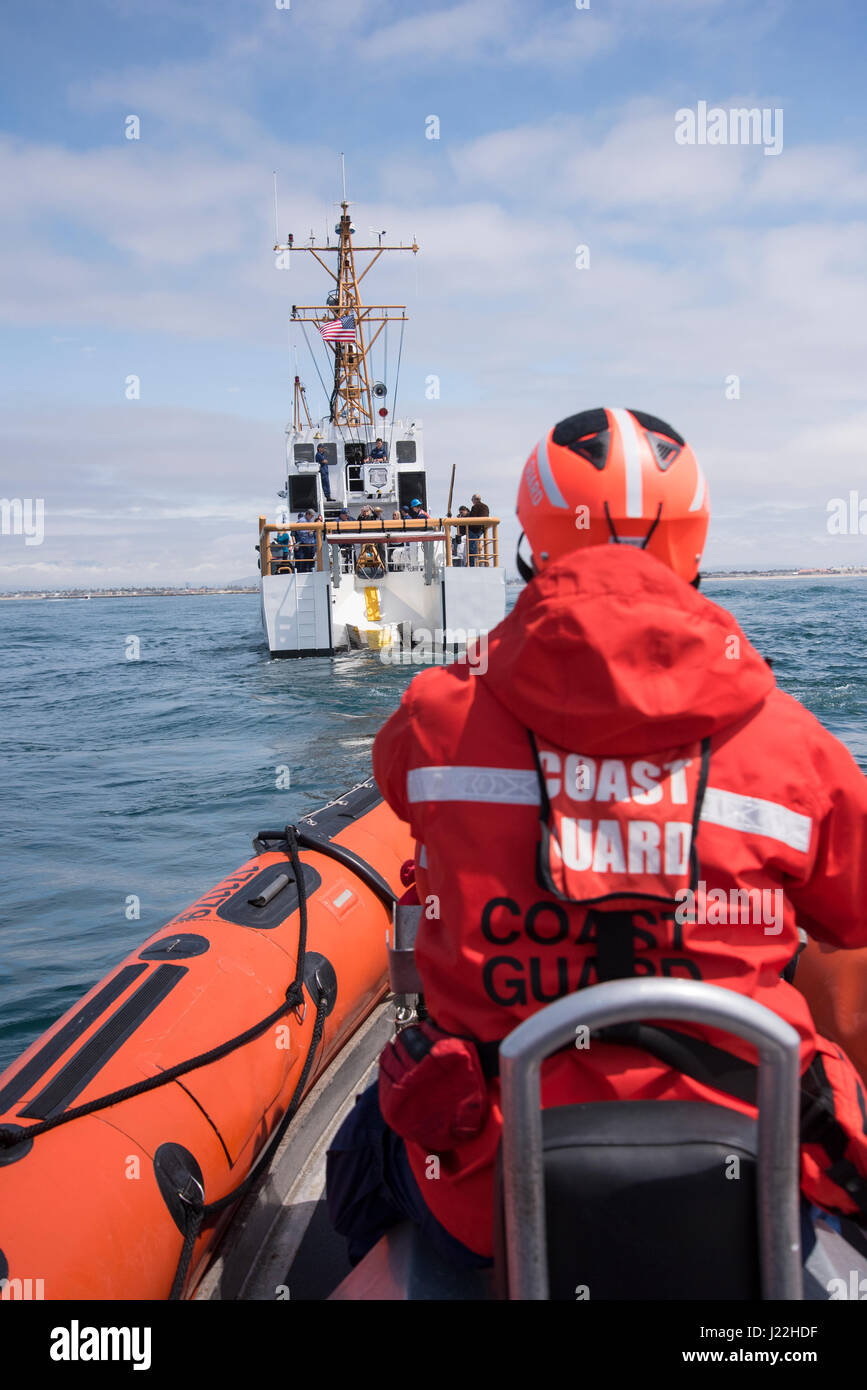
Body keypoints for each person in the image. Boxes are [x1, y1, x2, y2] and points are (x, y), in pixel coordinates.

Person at [327, 405, 867, 1276]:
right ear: (694, 541)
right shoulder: (791, 743)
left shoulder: (433, 718)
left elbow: (401, 789)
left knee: (360, 1160)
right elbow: (850, 919)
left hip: (490, 1186)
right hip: (748, 1178)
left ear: (532, 541)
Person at [467, 493, 489, 566]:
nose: (472, 501)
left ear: (475, 500)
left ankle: (472, 564)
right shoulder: (485, 506)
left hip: (474, 529)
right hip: (482, 529)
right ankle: (476, 562)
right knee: (475, 546)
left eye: (472, 499)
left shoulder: (475, 506)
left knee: (472, 547)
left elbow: (472, 518)